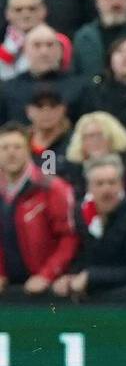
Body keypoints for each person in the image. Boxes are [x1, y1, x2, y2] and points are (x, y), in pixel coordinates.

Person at [56, 153, 126, 298]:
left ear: (121, 184)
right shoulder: (80, 214)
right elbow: (82, 256)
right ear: (89, 187)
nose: (106, 190)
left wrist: (91, 277)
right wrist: (71, 276)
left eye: (112, 183)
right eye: (99, 183)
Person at [0, 121, 78, 295]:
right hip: (9, 290)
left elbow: (69, 238)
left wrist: (47, 275)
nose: (11, 153)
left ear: (28, 150)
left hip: (46, 290)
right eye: (5, 148)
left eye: (17, 147)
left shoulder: (52, 188)